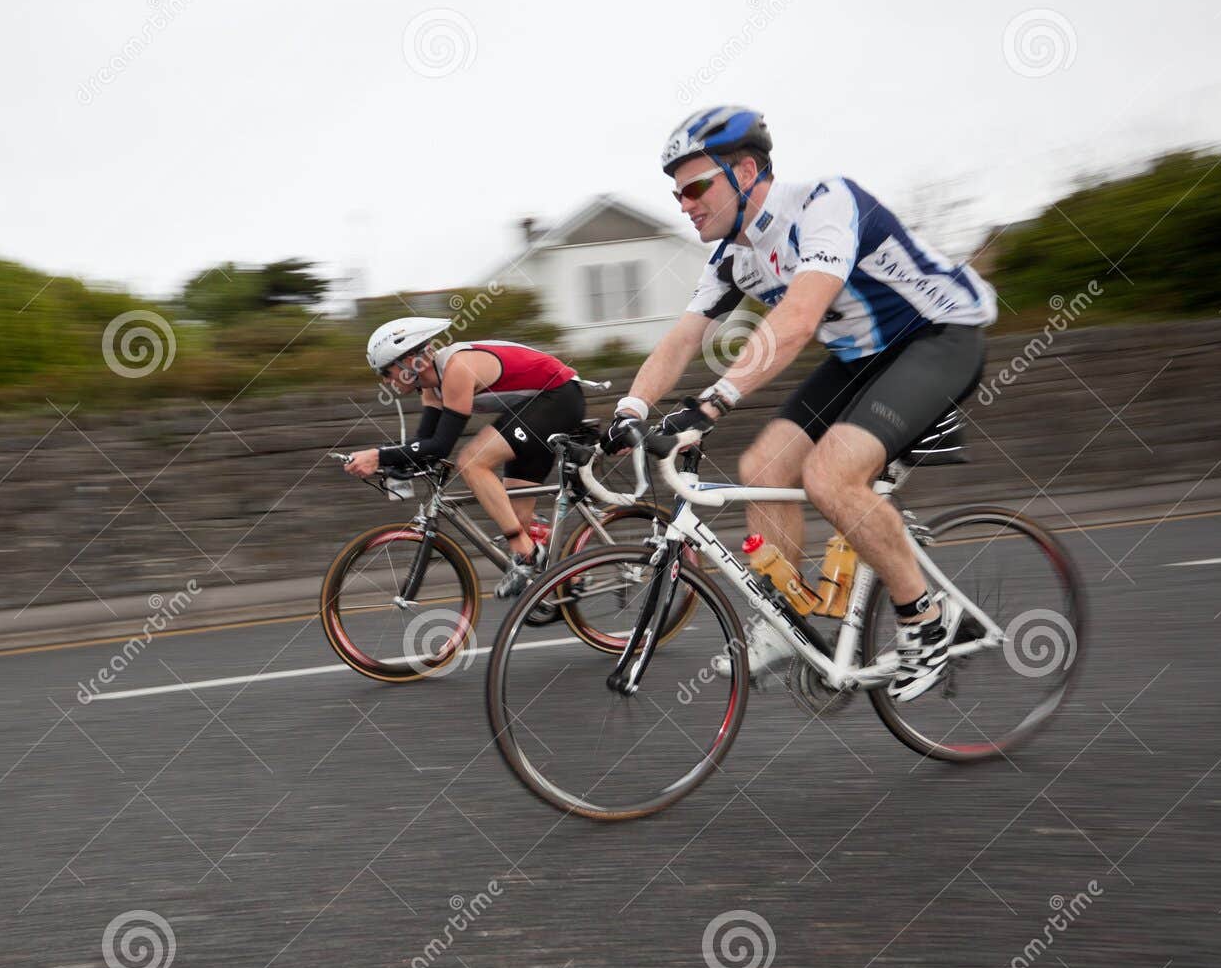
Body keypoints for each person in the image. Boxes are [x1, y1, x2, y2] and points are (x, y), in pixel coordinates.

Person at [602, 106, 995, 701]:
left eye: (696, 186)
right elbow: (682, 338)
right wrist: (630, 409)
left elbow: (799, 316)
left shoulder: (822, 205)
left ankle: (925, 622)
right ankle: (787, 618)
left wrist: (713, 402)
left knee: (831, 475)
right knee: (763, 467)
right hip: (861, 357)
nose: (684, 202)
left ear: (746, 170)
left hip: (938, 336)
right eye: (676, 193)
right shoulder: (731, 257)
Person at [345, 318, 585, 597]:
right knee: (515, 516)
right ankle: (571, 581)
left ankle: (525, 552)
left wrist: (380, 456)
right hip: (531, 409)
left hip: (559, 397)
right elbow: (423, 444)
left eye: (386, 373)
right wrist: (393, 462)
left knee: (472, 462)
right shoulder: (431, 388)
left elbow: (441, 447)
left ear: (410, 361)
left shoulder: (457, 369)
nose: (387, 382)